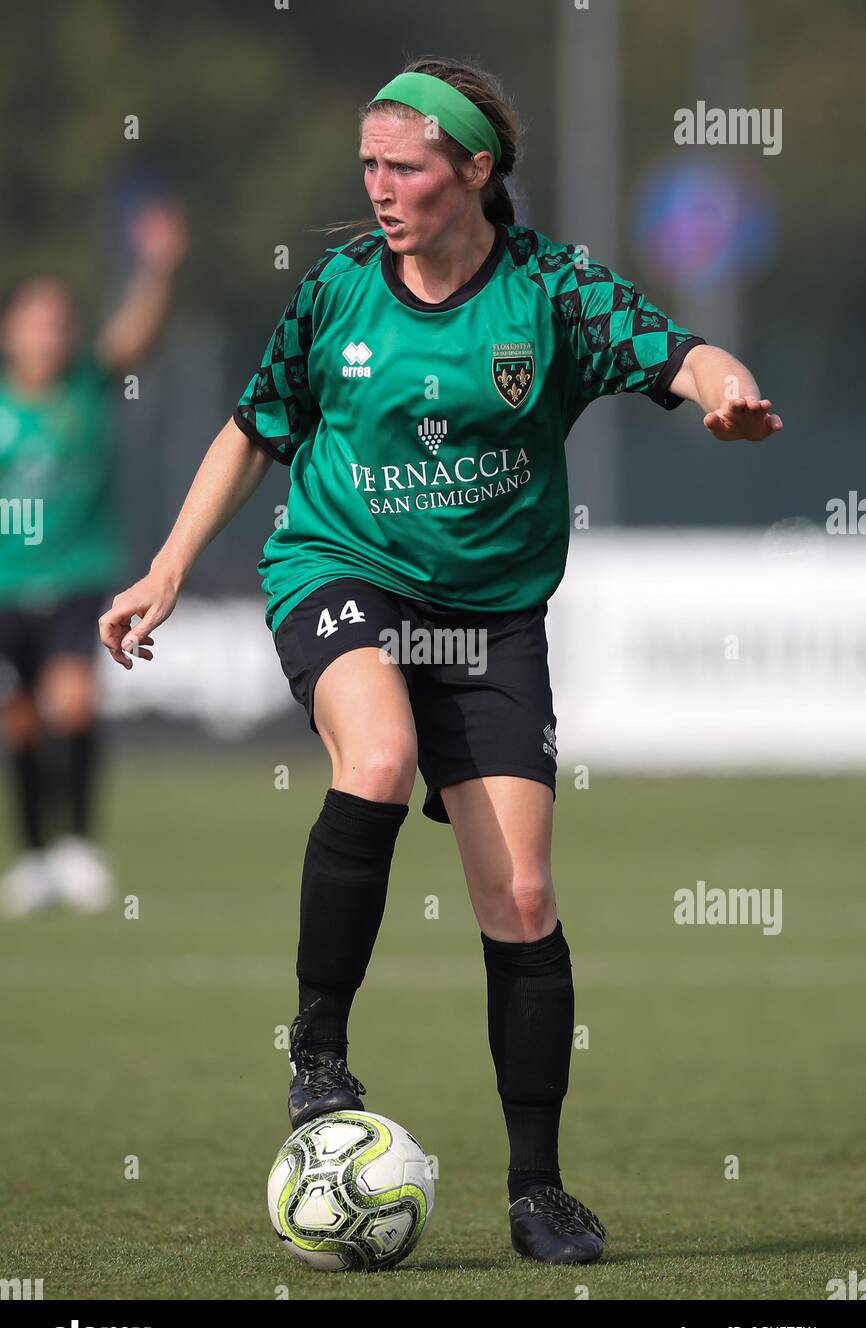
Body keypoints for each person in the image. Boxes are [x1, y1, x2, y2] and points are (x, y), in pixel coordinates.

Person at [98, 58, 782, 1265]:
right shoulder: (338, 293)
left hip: (489, 621)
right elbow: (255, 428)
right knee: (378, 754)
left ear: (474, 170)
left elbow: (679, 354)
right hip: (338, 568)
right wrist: (162, 567)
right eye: (367, 165)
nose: (378, 187)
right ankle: (317, 1050)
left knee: (519, 898)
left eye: (402, 166)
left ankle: (536, 1192)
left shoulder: (550, 292)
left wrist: (728, 390)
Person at [0, 204, 188, 915]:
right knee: (17, 720)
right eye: (36, 319)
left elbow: (135, 334)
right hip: (4, 587)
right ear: (10, 331)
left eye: (59, 319)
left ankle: (78, 845)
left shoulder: (86, 381)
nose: (50, 331)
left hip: (77, 579)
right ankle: (35, 858)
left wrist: (158, 266)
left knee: (72, 701)